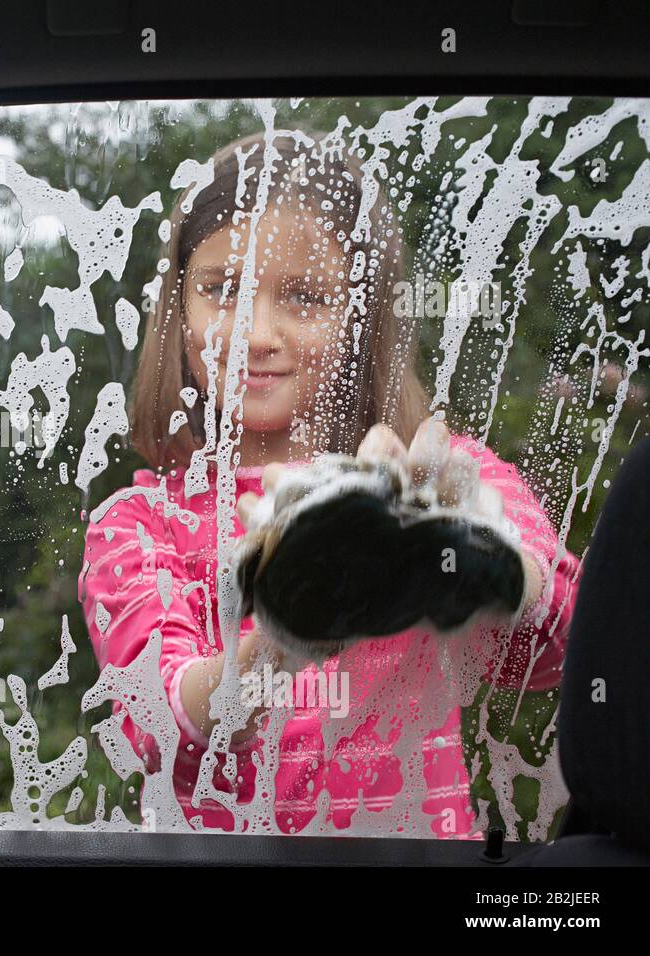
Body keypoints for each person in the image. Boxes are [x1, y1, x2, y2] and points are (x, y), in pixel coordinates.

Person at [80, 132, 579, 836]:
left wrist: (479, 558)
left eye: (307, 296)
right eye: (223, 290)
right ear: (178, 310)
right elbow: (162, 728)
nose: (256, 334)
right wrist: (281, 639)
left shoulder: (442, 479)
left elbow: (553, 650)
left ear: (363, 320)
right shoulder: (138, 523)